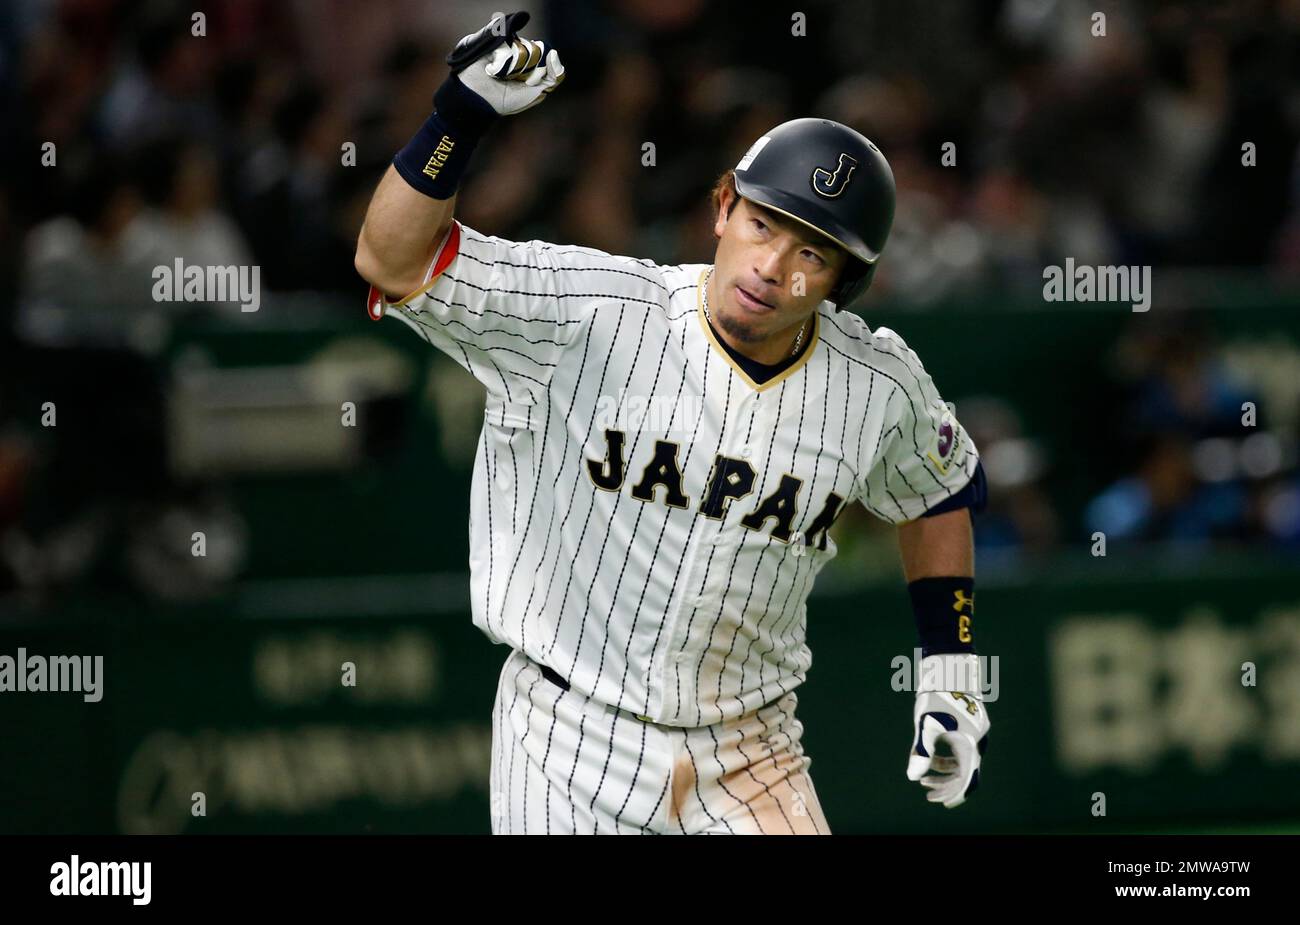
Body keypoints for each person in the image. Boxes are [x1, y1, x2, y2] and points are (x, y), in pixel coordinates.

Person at [355, 12, 990, 834]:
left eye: (812, 253)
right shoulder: (588, 308)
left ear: (844, 281)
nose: (771, 266)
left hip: (753, 750)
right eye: (763, 223)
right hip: (568, 734)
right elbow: (390, 258)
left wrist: (950, 668)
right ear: (723, 206)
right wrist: (455, 118)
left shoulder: (876, 383)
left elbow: (937, 490)